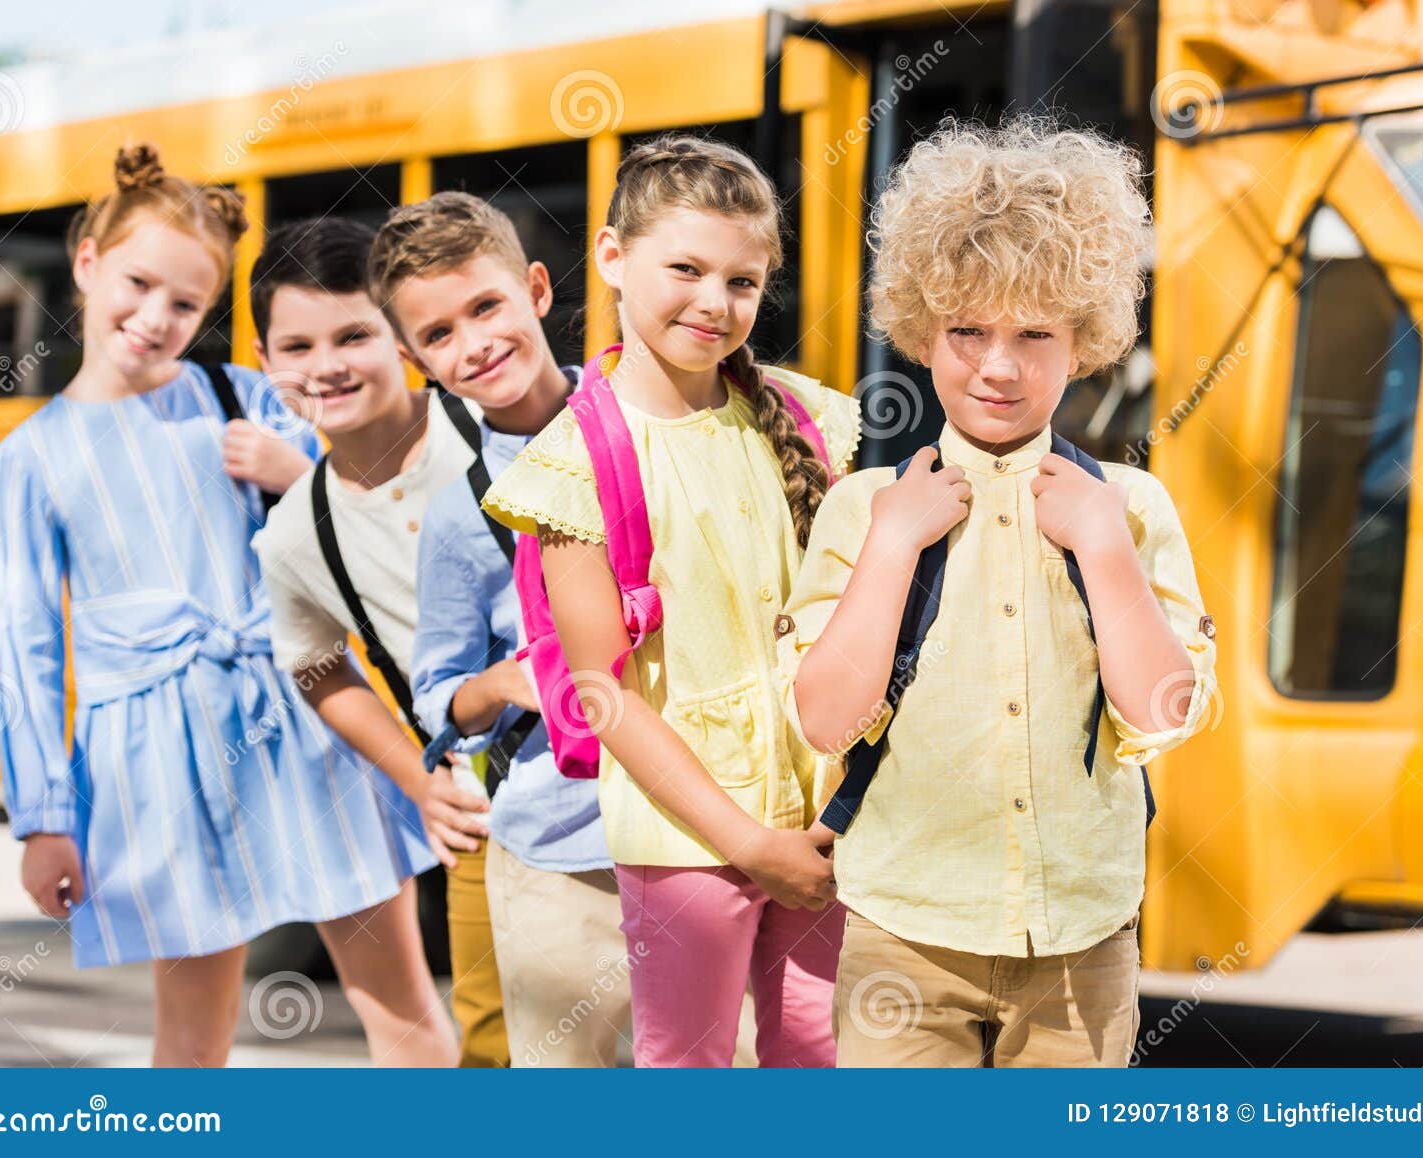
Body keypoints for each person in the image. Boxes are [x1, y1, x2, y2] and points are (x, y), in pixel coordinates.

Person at [0, 145, 437, 1067]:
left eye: (186, 304)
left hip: (305, 723)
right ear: (87, 262)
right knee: (191, 1034)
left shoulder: (251, 399)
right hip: (155, 767)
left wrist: (298, 473)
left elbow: (371, 536)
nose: (155, 318)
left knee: (402, 1007)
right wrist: (43, 820)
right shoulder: (25, 461)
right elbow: (26, 648)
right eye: (139, 284)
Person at [781, 117, 1220, 1067]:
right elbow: (822, 720)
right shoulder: (865, 506)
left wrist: (1103, 549)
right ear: (920, 327)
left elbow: (1165, 714)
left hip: (1081, 942)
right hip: (904, 926)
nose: (999, 365)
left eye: (1036, 334)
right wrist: (895, 543)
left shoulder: (1131, 505)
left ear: (1085, 340)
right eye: (968, 330)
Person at [481, 136, 861, 1068]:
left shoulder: (811, 419)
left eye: (742, 280)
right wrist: (744, 840)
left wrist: (842, 809)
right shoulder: (571, 465)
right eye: (684, 268)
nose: (713, 302)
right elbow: (600, 693)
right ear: (611, 257)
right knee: (686, 1064)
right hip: (688, 832)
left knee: (821, 1054)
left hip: (825, 814)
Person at [366, 191, 628, 1066]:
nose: (474, 343)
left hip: (705, 822)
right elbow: (435, 695)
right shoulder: (458, 516)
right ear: (415, 360)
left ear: (539, 292)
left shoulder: (651, 424)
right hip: (560, 835)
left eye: (487, 306)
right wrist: (508, 683)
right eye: (438, 335)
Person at [248, 215, 511, 1067]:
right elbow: (316, 665)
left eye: (354, 334)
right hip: (486, 809)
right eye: (297, 345)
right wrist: (419, 781)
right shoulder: (295, 535)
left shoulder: (491, 424)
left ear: (399, 336)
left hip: (626, 773)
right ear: (264, 363)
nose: (326, 366)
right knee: (498, 1045)